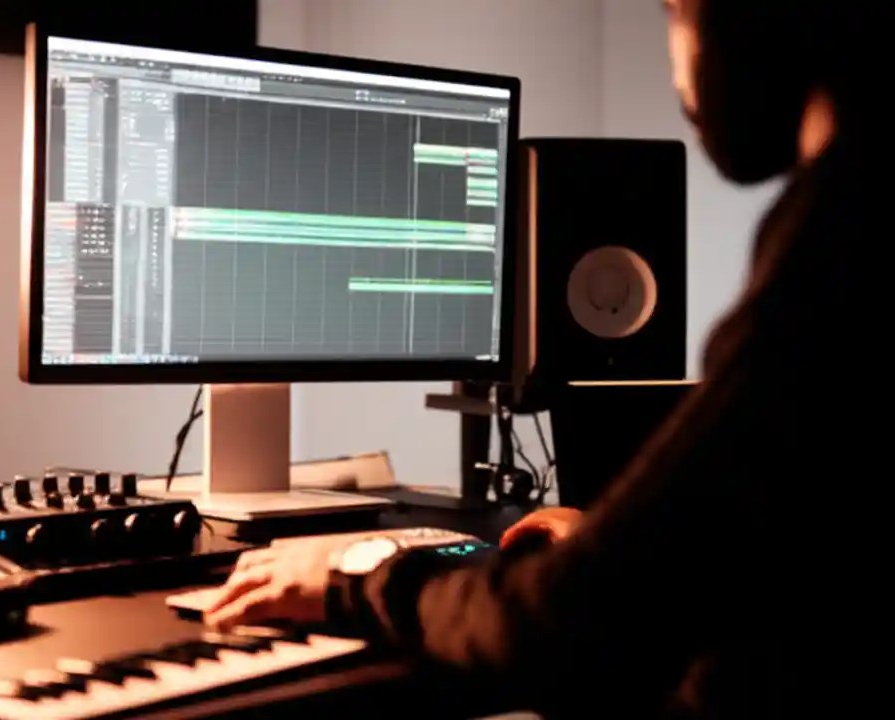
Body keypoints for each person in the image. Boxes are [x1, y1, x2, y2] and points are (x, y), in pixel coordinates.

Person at [204, 1, 879, 717]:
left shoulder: (845, 242)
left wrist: (355, 581)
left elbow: (566, 621)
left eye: (677, 10)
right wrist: (620, 545)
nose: (679, 64)